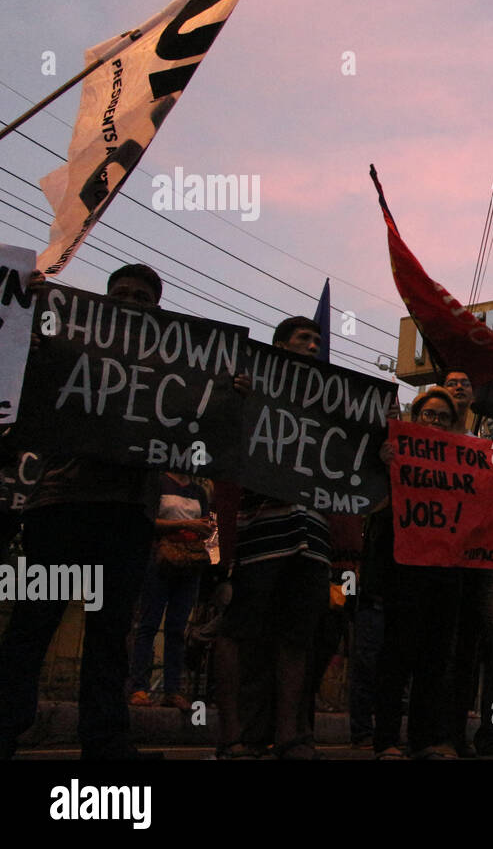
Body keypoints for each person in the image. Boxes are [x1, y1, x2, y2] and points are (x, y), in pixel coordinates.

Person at [0, 264, 169, 760]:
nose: (131, 301)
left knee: (110, 630)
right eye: (122, 293)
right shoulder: (65, 343)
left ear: (156, 309)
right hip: (60, 507)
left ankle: (105, 740)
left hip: (127, 514)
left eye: (142, 296)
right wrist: (25, 312)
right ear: (105, 298)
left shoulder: (166, 365)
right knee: (33, 621)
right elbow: (20, 373)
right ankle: (7, 726)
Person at [215, 317, 332, 760]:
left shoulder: (327, 406)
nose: (313, 346)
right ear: (280, 346)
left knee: (298, 635)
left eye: (318, 341)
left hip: (312, 538)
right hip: (258, 533)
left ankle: (290, 736)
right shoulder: (250, 390)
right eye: (304, 339)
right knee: (239, 629)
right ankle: (232, 735)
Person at [370, 387, 466, 759]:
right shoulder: (394, 453)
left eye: (443, 417)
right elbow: (372, 500)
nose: (436, 422)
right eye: (429, 415)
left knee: (435, 656)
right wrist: (384, 462)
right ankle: (387, 739)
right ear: (414, 419)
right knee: (398, 652)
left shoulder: (462, 460)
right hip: (404, 565)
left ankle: (424, 739)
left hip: (447, 568)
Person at [440, 369, 493, 759]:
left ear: (473, 397)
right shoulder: (424, 440)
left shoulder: (486, 449)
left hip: (482, 565)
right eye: (452, 382)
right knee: (457, 650)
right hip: (440, 562)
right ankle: (449, 735)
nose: (459, 387)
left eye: (466, 384)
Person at [128, 472, 216, 710]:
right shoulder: (158, 482)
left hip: (190, 562)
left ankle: (172, 689)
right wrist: (184, 524)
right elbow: (148, 520)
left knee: (177, 628)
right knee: (149, 623)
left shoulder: (199, 492)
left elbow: (211, 526)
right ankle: (139, 686)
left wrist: (212, 557)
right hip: (160, 558)